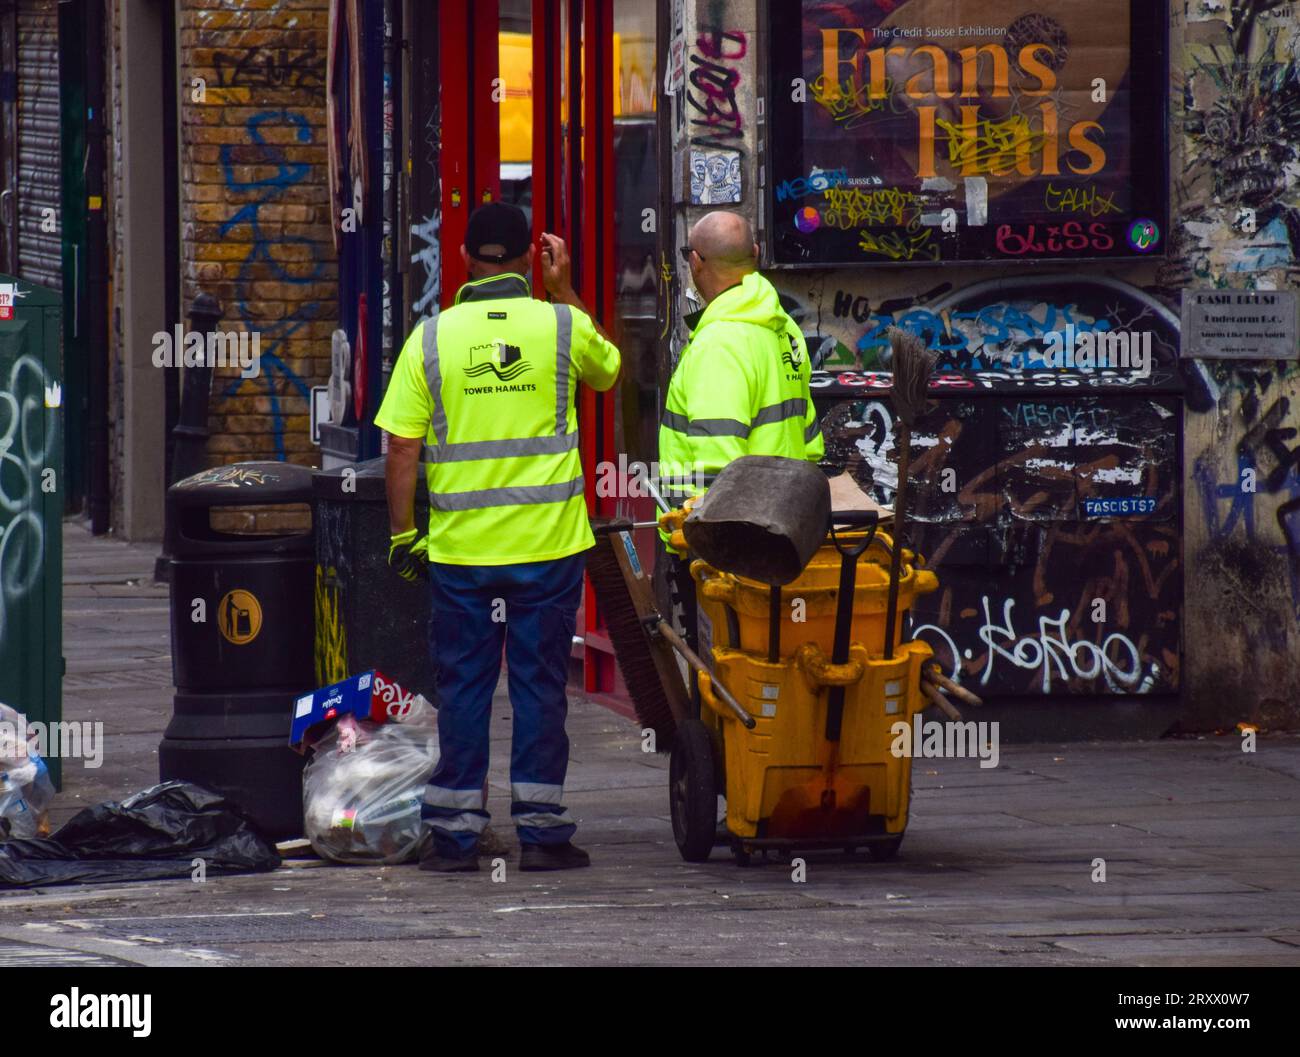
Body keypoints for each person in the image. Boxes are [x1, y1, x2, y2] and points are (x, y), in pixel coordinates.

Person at [376, 202, 620, 873]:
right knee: (542, 685)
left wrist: (403, 535)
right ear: (528, 259)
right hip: (548, 549)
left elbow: (402, 446)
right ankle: (541, 831)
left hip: (462, 554)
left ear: (462, 259)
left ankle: (454, 833)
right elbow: (609, 372)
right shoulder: (563, 323)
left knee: (465, 688)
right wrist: (564, 287)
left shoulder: (432, 338)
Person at [657, 210, 824, 647]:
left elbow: (717, 465)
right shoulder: (783, 328)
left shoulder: (719, 345)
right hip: (784, 537)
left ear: (695, 262)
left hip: (728, 548)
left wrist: (705, 545)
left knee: (728, 681)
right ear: (754, 254)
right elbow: (809, 441)